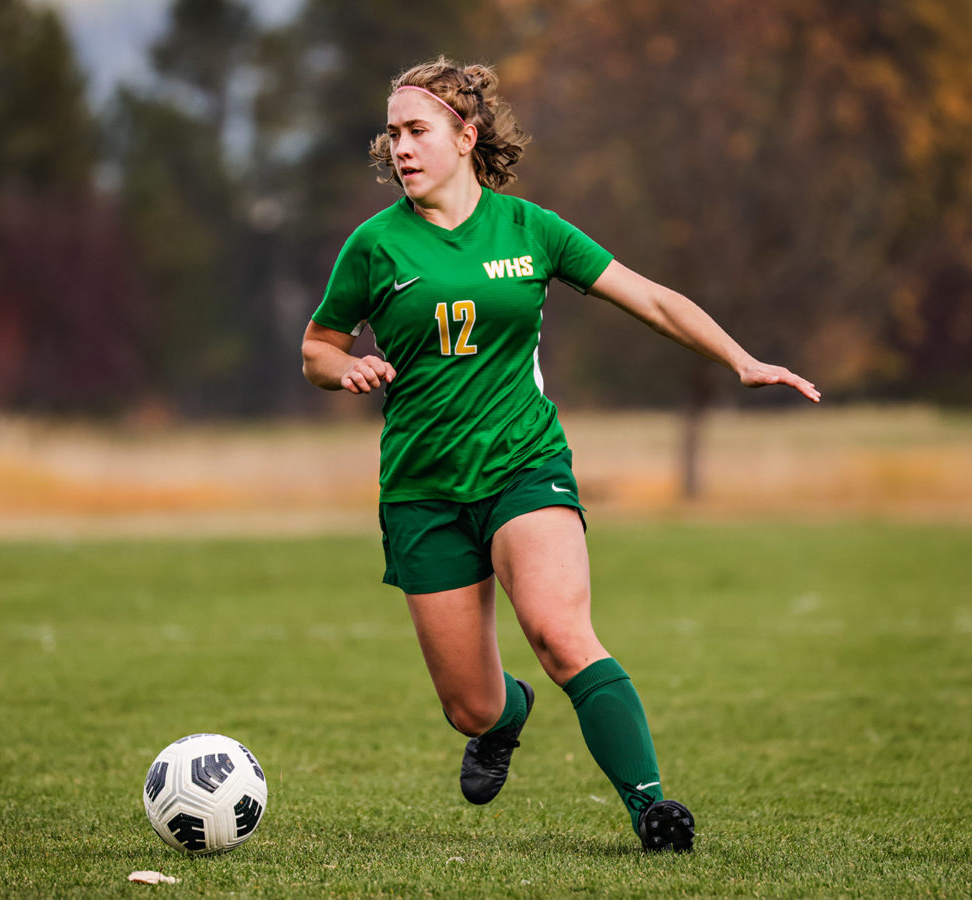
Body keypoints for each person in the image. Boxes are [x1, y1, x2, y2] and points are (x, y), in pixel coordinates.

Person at [301, 56, 820, 853]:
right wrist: (346, 369)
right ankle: (507, 715)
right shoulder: (373, 246)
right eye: (393, 133)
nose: (399, 148)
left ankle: (651, 807)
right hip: (422, 490)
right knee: (469, 707)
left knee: (560, 633)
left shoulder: (531, 230)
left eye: (417, 131)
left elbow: (650, 299)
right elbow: (316, 347)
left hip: (525, 466)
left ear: (465, 137)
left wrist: (740, 358)